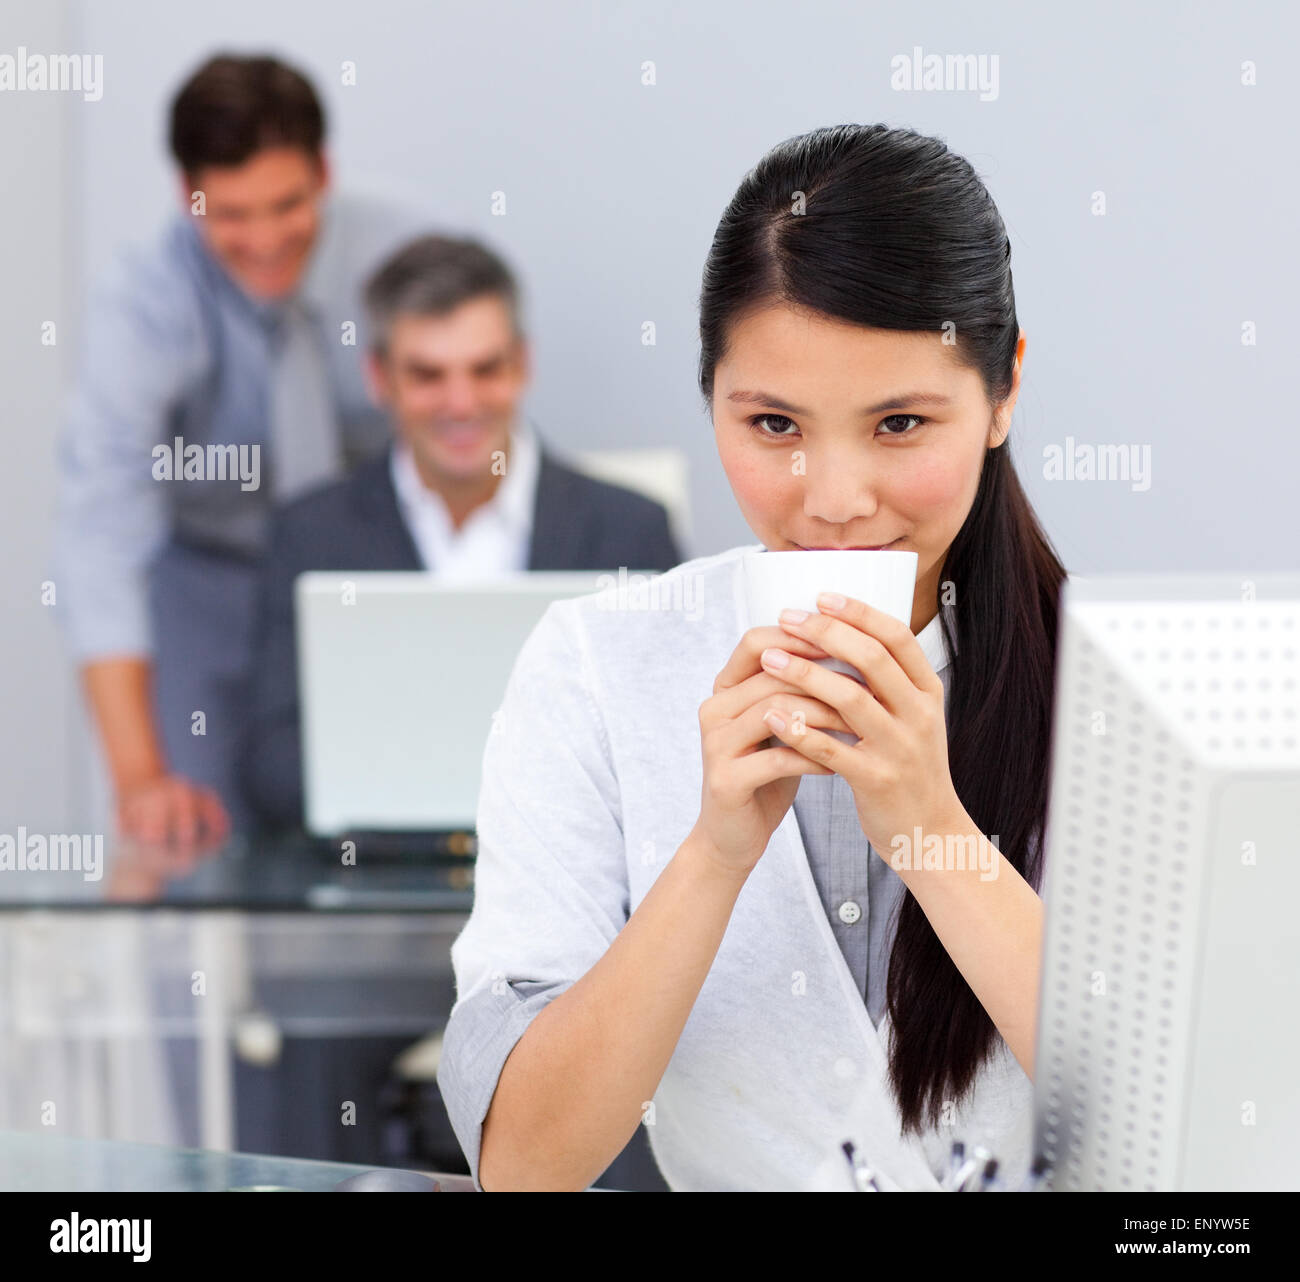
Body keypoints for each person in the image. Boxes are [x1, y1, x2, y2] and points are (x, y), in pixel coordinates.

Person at [437, 123, 1068, 1191]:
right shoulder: (596, 667)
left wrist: (931, 834)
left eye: (900, 422)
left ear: (1003, 388)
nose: (831, 498)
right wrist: (715, 852)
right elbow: (526, 1162)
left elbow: (1216, 1133)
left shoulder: (1117, 687)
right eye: (773, 422)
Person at [53, 54, 425, 842]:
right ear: (187, 195)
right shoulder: (143, 298)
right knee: (194, 841)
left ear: (325, 171)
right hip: (209, 588)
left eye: (286, 204)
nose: (262, 241)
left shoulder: (405, 255)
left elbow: (468, 430)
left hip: (373, 585)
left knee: (392, 824)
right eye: (229, 214)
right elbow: (101, 531)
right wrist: (140, 780)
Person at [241, 234, 682, 831]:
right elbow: (270, 763)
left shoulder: (630, 530)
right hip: (376, 891)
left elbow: (670, 742)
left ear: (522, 364)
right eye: (427, 375)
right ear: (379, 377)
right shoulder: (310, 536)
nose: (460, 403)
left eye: (485, 369)